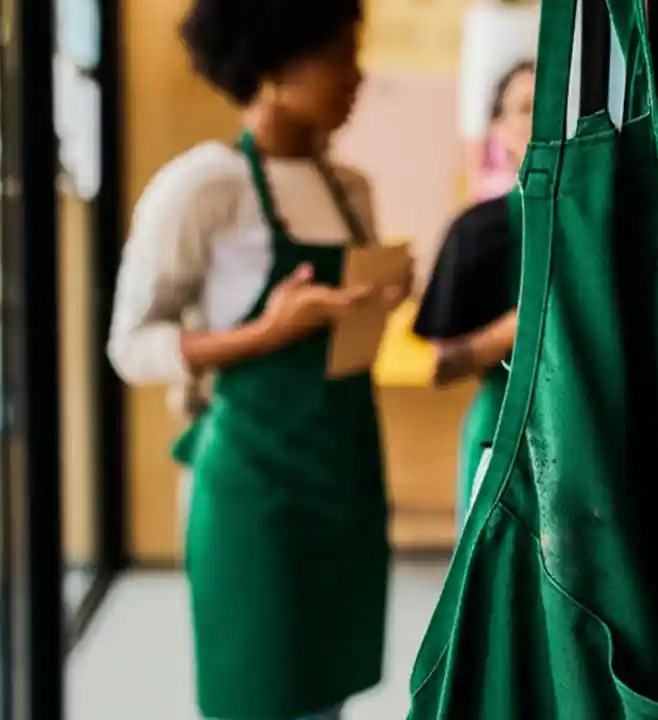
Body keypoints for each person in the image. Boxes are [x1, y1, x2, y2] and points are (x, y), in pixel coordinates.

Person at [106, 1, 409, 718]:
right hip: (253, 487)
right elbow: (130, 344)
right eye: (337, 55)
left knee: (326, 688)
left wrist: (380, 300)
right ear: (270, 68)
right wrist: (268, 333)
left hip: (343, 471)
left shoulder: (352, 188)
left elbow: (342, 337)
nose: (357, 75)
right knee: (258, 689)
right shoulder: (204, 186)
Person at [412, 59, 533, 529]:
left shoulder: (608, 228)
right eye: (524, 108)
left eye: (552, 106)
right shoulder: (476, 231)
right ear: (499, 131)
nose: (540, 119)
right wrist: (519, 326)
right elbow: (443, 366)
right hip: (501, 434)